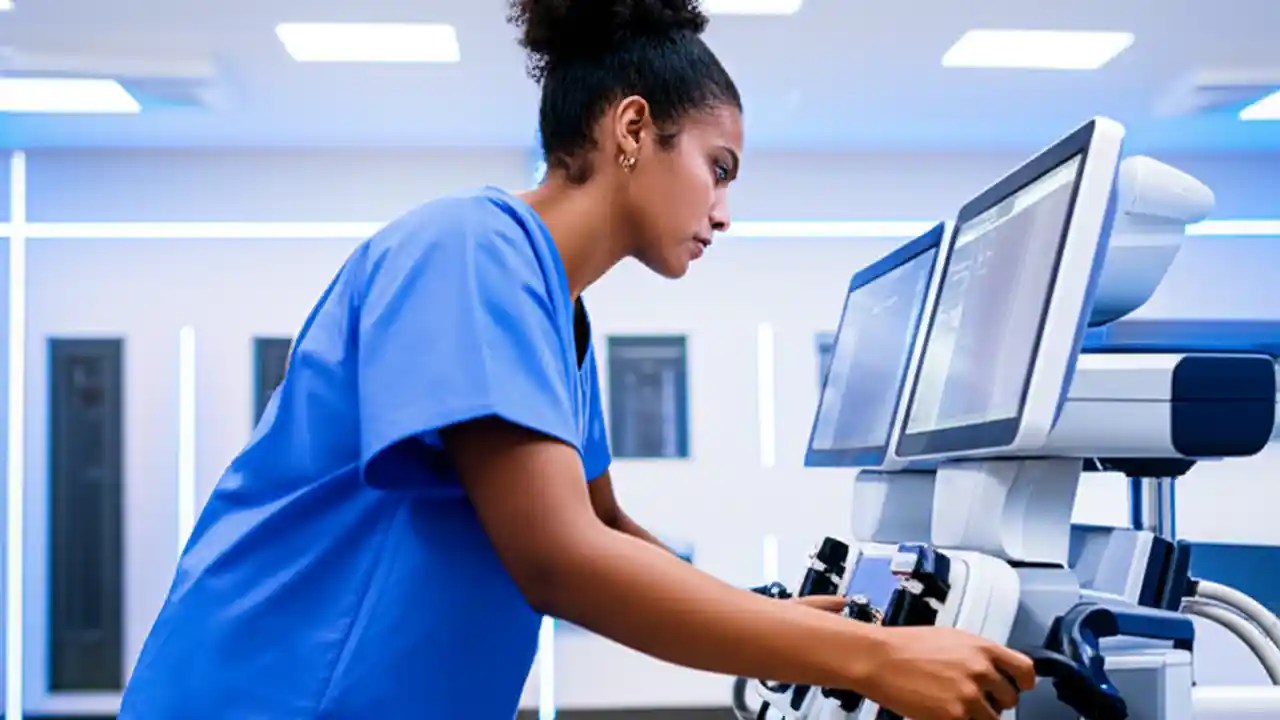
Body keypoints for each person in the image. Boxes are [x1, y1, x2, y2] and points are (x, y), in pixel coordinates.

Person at [119, 1, 1037, 718]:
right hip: (270, 697)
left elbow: (600, 523)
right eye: (718, 168)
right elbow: (559, 559)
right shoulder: (470, 249)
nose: (724, 211)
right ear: (634, 130)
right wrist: (872, 659)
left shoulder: (559, 313)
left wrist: (783, 620)